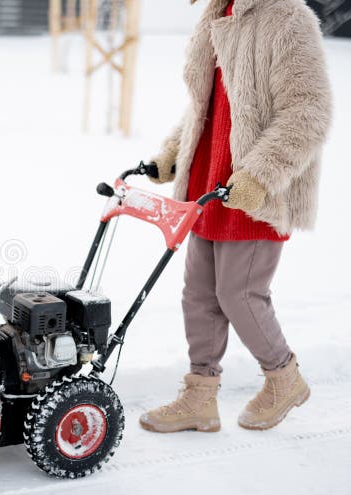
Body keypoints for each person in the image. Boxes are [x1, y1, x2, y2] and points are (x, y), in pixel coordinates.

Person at [140, 0, 332, 432]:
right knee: (199, 295)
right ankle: (199, 397)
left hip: (255, 189)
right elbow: (203, 105)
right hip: (211, 182)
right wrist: (173, 153)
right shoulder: (217, 13)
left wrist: (261, 174)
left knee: (240, 294)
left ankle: (285, 378)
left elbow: (309, 111)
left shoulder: (286, 17)